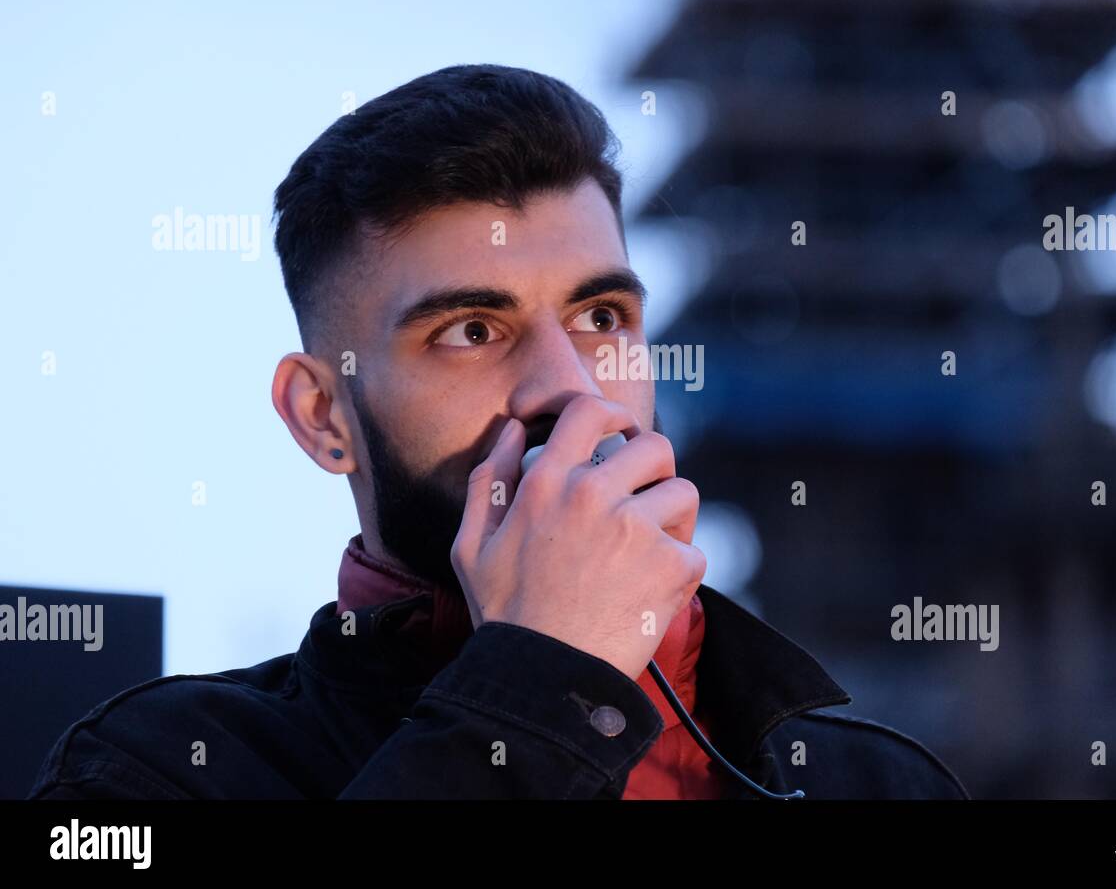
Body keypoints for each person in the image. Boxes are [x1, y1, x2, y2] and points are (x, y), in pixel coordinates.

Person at [29, 64, 967, 800]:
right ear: (324, 419)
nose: (565, 387)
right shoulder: (155, 771)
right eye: (473, 332)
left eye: (601, 318)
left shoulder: (880, 784)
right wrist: (543, 684)